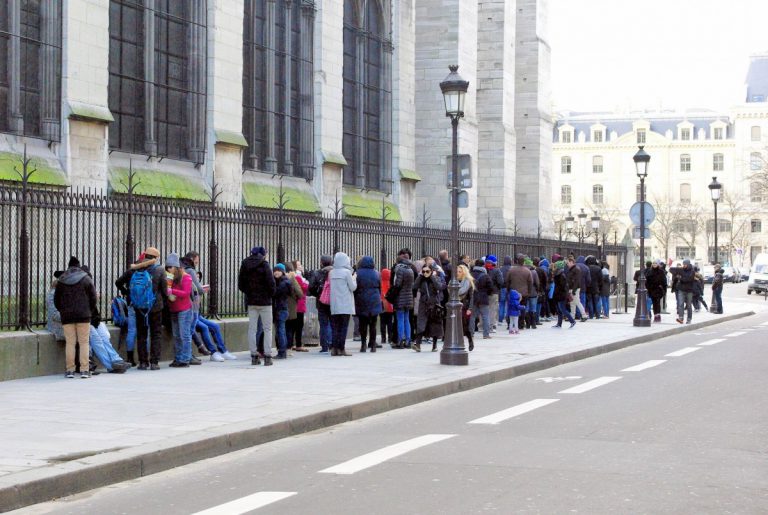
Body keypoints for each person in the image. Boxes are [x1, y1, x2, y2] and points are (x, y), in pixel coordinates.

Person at [54, 256, 99, 379]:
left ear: (68, 268)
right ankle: (84, 370)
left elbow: (56, 300)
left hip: (67, 316)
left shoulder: (61, 280)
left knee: (70, 343)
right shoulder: (86, 279)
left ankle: (70, 370)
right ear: (78, 267)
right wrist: (88, 310)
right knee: (84, 342)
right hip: (84, 315)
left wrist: (63, 311)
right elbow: (93, 298)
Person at [238, 246, 276, 366]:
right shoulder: (264, 264)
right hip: (265, 302)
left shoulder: (245, 263)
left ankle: (254, 355)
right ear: (263, 254)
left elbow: (241, 283)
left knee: (252, 329)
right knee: (267, 329)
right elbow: (271, 282)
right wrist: (269, 294)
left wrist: (249, 293)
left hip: (251, 301)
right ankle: (268, 356)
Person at [165, 253, 196, 367]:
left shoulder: (186, 277)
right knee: (176, 335)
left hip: (184, 310)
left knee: (184, 335)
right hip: (174, 309)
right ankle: (178, 358)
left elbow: (186, 293)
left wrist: (172, 291)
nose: (169, 269)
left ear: (177, 267)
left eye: (171, 267)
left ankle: (185, 359)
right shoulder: (169, 278)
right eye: (167, 267)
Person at [329, 252, 357, 356]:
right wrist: (354, 278)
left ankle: (334, 349)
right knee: (343, 327)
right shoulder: (347, 272)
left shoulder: (332, 272)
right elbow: (353, 287)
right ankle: (341, 348)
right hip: (345, 303)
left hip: (335, 304)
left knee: (335, 327)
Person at [413, 263, 445, 352]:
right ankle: (418, 344)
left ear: (431, 271)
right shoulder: (421, 279)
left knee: (434, 324)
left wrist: (432, 277)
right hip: (423, 304)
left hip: (434, 303)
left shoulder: (436, 278)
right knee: (421, 323)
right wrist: (420, 276)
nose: (425, 273)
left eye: (427, 271)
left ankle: (434, 346)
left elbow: (439, 287)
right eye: (424, 271)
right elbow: (414, 287)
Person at [354, 256, 382, 352]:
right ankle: (373, 345)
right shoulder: (376, 273)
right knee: (373, 325)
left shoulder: (358, 273)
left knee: (363, 324)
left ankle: (363, 345)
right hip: (374, 300)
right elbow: (379, 286)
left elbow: (355, 287)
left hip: (362, 300)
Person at [272, 263, 300, 359]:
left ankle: (282, 351)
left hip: (281, 309)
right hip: (279, 309)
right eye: (275, 271)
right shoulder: (279, 281)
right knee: (280, 331)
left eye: (278, 271)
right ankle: (282, 351)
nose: (276, 273)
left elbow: (275, 293)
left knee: (281, 331)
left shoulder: (284, 282)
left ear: (283, 272)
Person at [309, 255, 334, 353]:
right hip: (333, 301)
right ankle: (332, 343)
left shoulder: (317, 273)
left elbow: (311, 287)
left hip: (321, 301)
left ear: (321, 263)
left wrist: (319, 295)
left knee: (323, 324)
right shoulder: (335, 272)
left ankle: (324, 346)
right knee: (332, 323)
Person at [391, 249, 416, 348]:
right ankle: (408, 340)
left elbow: (397, 284)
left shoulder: (400, 269)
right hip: (409, 297)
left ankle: (400, 340)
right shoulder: (410, 269)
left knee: (400, 319)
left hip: (400, 297)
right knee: (407, 319)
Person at [287, 260, 310, 352]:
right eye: (299, 265)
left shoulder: (296, 277)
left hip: (294, 305)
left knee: (292, 325)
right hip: (299, 304)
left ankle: (291, 343)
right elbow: (304, 287)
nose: (301, 266)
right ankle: (298, 344)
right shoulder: (298, 277)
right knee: (299, 325)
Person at [505, 255, 533, 329]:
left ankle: (510, 324)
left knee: (511, 308)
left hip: (513, 293)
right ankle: (521, 324)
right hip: (524, 293)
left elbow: (507, 281)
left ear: (517, 261)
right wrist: (529, 292)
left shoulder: (511, 270)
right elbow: (530, 282)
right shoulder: (527, 271)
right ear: (524, 262)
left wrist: (508, 290)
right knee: (522, 308)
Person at [470, 259, 494, 339]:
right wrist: (487, 293)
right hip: (483, 297)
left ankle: (471, 333)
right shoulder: (485, 275)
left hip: (473, 297)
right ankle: (486, 334)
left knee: (472, 316)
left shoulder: (470, 274)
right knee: (485, 316)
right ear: (483, 266)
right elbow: (490, 287)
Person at [455, 263, 475, 351]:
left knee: (465, 326)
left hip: (465, 307)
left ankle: (470, 341)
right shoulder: (454, 281)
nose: (458, 273)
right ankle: (458, 342)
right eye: (457, 271)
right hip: (455, 306)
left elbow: (471, 297)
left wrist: (470, 309)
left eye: (459, 271)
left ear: (464, 272)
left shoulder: (468, 282)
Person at [552, 260, 576, 328]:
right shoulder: (558, 274)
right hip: (558, 295)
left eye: (555, 266)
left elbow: (563, 287)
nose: (554, 267)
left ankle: (572, 321)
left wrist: (559, 293)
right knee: (559, 310)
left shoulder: (561, 275)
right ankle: (559, 324)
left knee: (563, 309)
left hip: (561, 295)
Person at [671, 259, 695, 324]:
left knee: (689, 305)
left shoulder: (692, 271)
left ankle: (689, 319)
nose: (684, 265)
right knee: (680, 304)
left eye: (685, 264)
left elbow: (688, 279)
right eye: (683, 264)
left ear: (688, 264)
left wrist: (680, 277)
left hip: (689, 290)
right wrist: (677, 269)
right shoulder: (681, 270)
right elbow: (671, 270)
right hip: (681, 289)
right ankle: (681, 318)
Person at [485, 255, 503, 333]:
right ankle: (492, 326)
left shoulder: (484, 269)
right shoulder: (496, 270)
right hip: (494, 292)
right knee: (493, 309)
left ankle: (482, 326)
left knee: (484, 309)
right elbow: (500, 282)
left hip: (484, 292)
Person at [566, 257, 587, 322]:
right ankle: (572, 316)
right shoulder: (572, 269)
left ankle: (584, 315)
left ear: (572, 262)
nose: (567, 264)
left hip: (574, 288)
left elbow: (577, 281)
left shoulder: (576, 269)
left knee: (577, 302)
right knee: (572, 303)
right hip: (572, 288)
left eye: (568, 263)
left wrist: (574, 290)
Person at [379, 267, 395, 346]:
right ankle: (390, 337)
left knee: (382, 322)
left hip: (382, 305)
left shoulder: (380, 283)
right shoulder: (390, 283)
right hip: (390, 306)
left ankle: (383, 338)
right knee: (389, 322)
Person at [498, 255, 513, 325]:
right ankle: (507, 318)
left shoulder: (500, 269)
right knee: (509, 303)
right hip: (510, 288)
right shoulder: (511, 269)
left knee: (502, 303)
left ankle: (500, 319)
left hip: (502, 287)